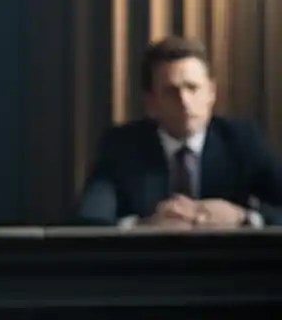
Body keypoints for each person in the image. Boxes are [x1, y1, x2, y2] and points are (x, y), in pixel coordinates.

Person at [76, 36, 282, 229]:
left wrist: (243, 216)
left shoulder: (242, 140)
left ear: (211, 93)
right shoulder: (121, 146)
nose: (184, 102)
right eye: (171, 91)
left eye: (192, 88)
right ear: (151, 103)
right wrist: (144, 226)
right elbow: (90, 221)